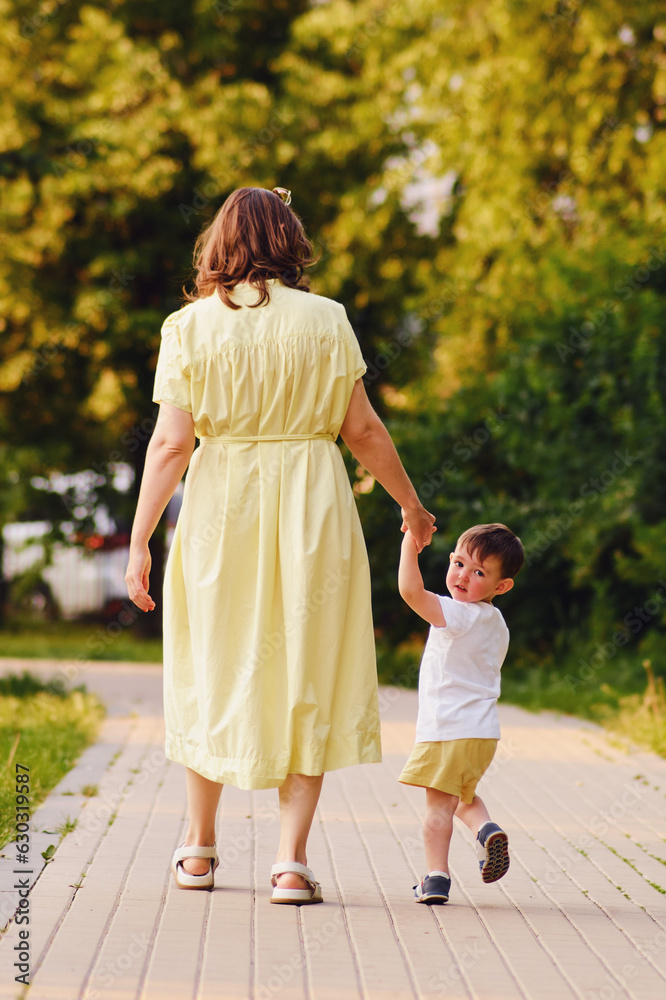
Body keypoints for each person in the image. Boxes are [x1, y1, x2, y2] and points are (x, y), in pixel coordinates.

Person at [125, 186, 435, 903]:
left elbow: (172, 442)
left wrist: (140, 540)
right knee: (306, 668)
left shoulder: (188, 326)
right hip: (311, 504)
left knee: (213, 663)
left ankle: (199, 850)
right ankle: (290, 863)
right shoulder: (327, 320)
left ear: (220, 244)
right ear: (290, 238)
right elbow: (362, 431)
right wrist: (412, 508)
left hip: (219, 506)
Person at [397, 522, 524, 904]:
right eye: (459, 563)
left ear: (501, 586)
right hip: (482, 734)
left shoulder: (457, 614)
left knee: (438, 807)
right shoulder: (496, 623)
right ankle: (486, 830)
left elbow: (409, 591)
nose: (463, 576)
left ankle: (436, 877)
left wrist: (409, 542)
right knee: (462, 797)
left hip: (448, 729)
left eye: (480, 572)